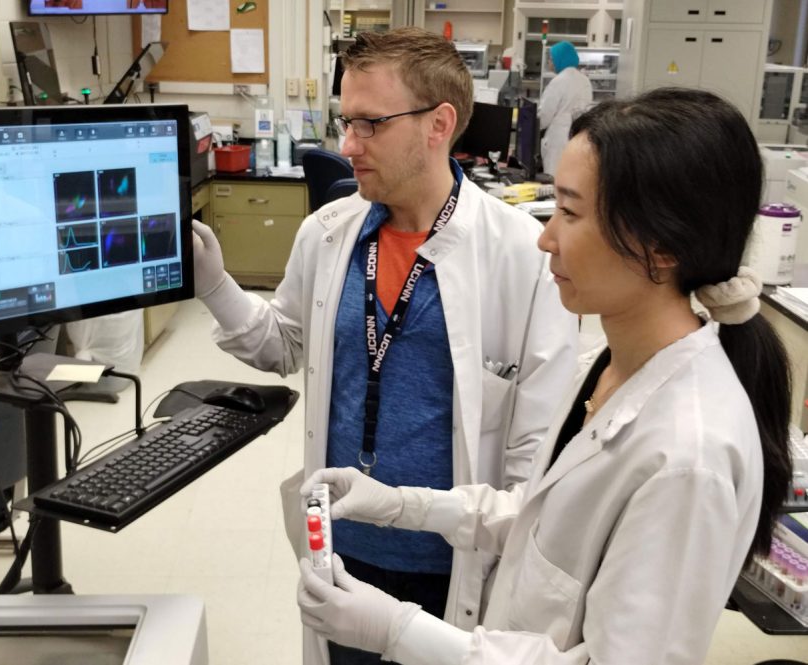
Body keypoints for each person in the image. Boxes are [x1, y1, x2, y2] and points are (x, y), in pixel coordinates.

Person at [296, 87, 794, 665]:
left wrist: (399, 631)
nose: (545, 237)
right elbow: (543, 523)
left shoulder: (688, 457)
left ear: (660, 248)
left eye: (571, 213)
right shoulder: (607, 368)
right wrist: (401, 504)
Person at [191, 27, 578, 664]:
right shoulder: (328, 232)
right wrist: (215, 286)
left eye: (370, 124)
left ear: (438, 124)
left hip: (455, 565)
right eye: (346, 122)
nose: (348, 145)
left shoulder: (522, 255)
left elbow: (532, 455)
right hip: (343, 549)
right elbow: (283, 346)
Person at [538, 41, 593, 177]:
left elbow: (544, 117)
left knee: (553, 179)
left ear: (560, 59)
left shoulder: (558, 81)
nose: (549, 62)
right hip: (579, 138)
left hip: (558, 140)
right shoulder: (585, 80)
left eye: (551, 59)